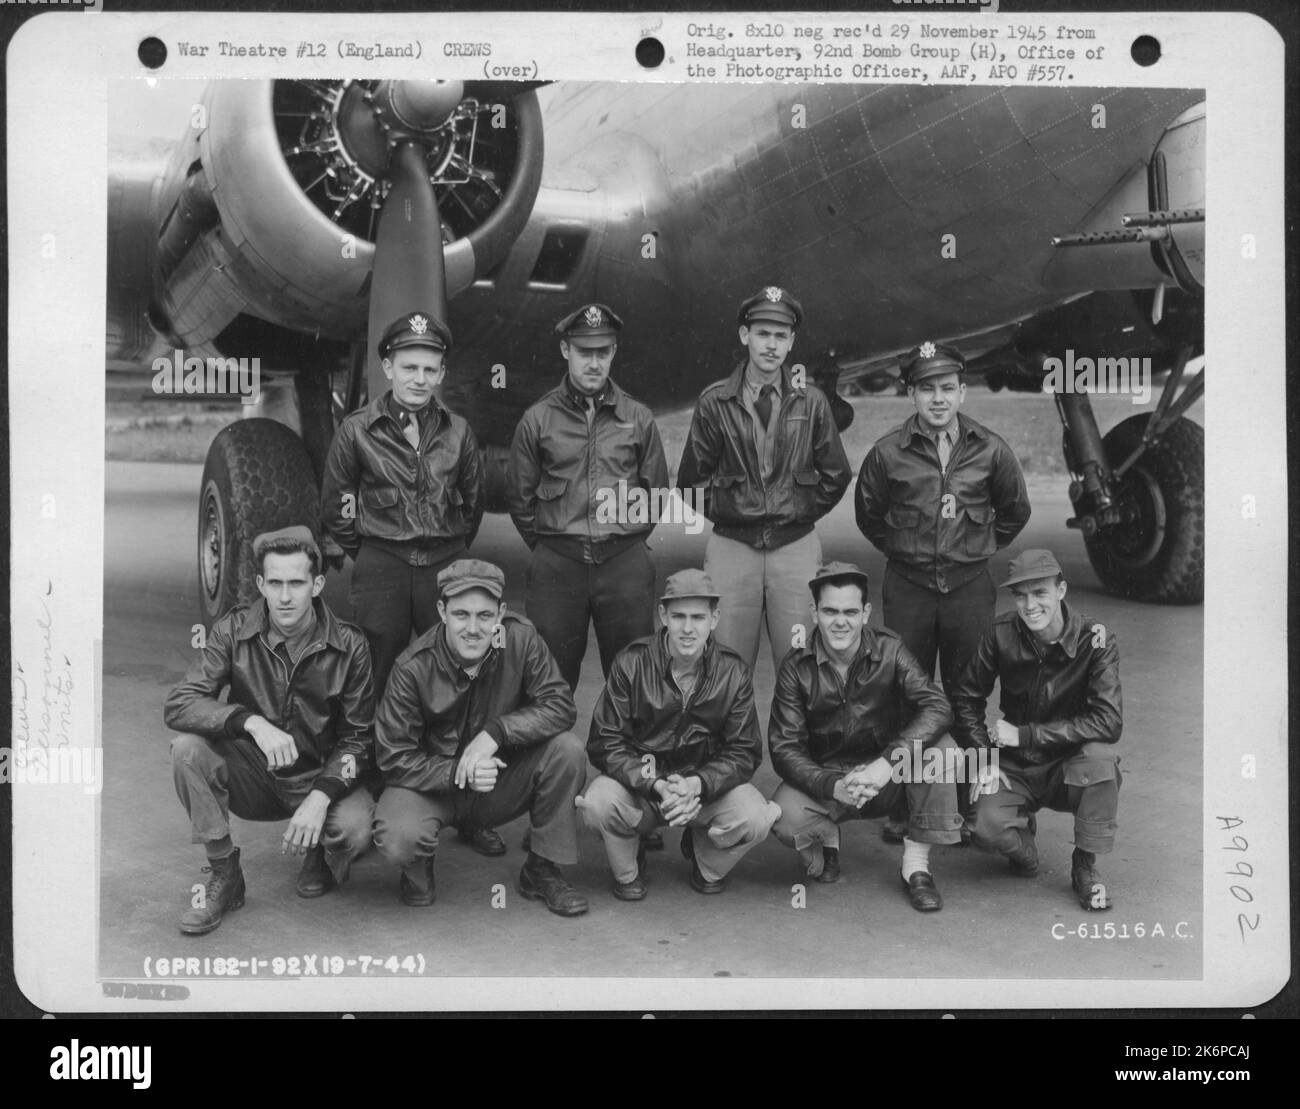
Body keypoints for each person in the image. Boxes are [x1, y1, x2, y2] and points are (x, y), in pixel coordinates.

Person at [321, 311, 499, 858]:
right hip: (384, 567)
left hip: (444, 566)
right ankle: (373, 798)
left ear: (442, 372)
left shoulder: (459, 432)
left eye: (430, 368)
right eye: (409, 367)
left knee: (459, 679)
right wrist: (373, 555)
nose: (419, 378)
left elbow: (472, 505)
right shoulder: (357, 430)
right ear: (387, 367)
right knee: (375, 679)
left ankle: (467, 808)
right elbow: (338, 507)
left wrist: (443, 552)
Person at [854, 340, 1030, 842]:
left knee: (968, 695)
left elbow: (1015, 510)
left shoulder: (990, 449)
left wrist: (977, 547)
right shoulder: (888, 452)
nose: (938, 399)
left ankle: (974, 802)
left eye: (947, 388)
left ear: (962, 391)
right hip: (908, 588)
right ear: (911, 393)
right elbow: (870, 515)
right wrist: (906, 550)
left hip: (969, 589)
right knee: (905, 695)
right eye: (926, 388)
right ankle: (907, 807)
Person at [164, 526, 376, 935]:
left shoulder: (350, 645)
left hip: (319, 774)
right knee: (187, 749)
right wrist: (250, 721)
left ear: (316, 584)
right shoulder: (233, 630)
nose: (284, 597)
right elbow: (179, 702)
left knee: (354, 831)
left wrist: (321, 796)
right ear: (260, 583)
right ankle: (226, 873)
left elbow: (359, 740)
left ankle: (318, 850)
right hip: (255, 776)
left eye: (296, 583)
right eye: (274, 583)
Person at [371, 559, 590, 916]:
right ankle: (417, 865)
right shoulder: (412, 667)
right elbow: (393, 757)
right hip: (432, 789)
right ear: (442, 611)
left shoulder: (521, 639)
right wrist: (458, 770)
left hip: (497, 784)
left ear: (501, 613)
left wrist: (498, 731)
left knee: (568, 750)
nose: (473, 628)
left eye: (485, 616)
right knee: (399, 836)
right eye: (461, 614)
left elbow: (561, 706)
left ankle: (542, 868)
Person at [677, 287, 851, 676]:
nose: (770, 345)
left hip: (795, 547)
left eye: (780, 336)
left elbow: (837, 473)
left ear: (791, 342)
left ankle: (794, 741)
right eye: (762, 334)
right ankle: (733, 741)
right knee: (724, 665)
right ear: (745, 336)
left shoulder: (813, 401)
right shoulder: (715, 401)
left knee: (801, 662)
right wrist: (735, 512)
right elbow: (691, 480)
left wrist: (796, 510)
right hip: (733, 547)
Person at [768, 562, 961, 912]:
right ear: (814, 612)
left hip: (885, 777)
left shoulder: (890, 649)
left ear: (866, 613)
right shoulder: (796, 666)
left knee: (945, 753)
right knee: (783, 818)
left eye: (850, 611)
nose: (840, 621)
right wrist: (831, 784)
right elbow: (784, 749)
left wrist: (887, 763)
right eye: (829, 611)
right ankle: (827, 838)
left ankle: (916, 866)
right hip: (829, 780)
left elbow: (937, 707)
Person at [581, 569, 780, 900]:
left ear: (714, 618)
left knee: (758, 817)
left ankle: (707, 862)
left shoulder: (733, 671)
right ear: (663, 616)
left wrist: (697, 784)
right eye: (679, 617)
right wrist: (656, 783)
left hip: (701, 793)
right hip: (643, 790)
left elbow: (744, 751)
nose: (688, 629)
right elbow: (604, 742)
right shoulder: (632, 663)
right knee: (598, 802)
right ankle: (630, 863)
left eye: (698, 617)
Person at [507, 303, 668, 691]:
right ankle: (553, 754)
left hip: (623, 564)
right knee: (548, 683)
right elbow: (520, 496)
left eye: (602, 352)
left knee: (634, 682)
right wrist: (553, 544)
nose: (593, 363)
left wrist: (624, 540)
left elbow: (656, 493)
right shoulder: (538, 419)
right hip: (559, 568)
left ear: (613, 352)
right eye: (584, 352)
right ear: (566, 351)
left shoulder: (638, 417)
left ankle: (628, 754)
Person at [949, 549, 1122, 911]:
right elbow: (966, 698)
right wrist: (984, 758)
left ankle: (1085, 865)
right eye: (1021, 594)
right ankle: (1024, 849)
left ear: (1061, 590)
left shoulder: (1096, 639)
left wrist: (1026, 734)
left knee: (1102, 761)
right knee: (984, 826)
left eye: (1040, 592)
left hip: (1067, 764)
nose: (1029, 605)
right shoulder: (999, 633)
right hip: (1015, 764)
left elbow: (1108, 720)